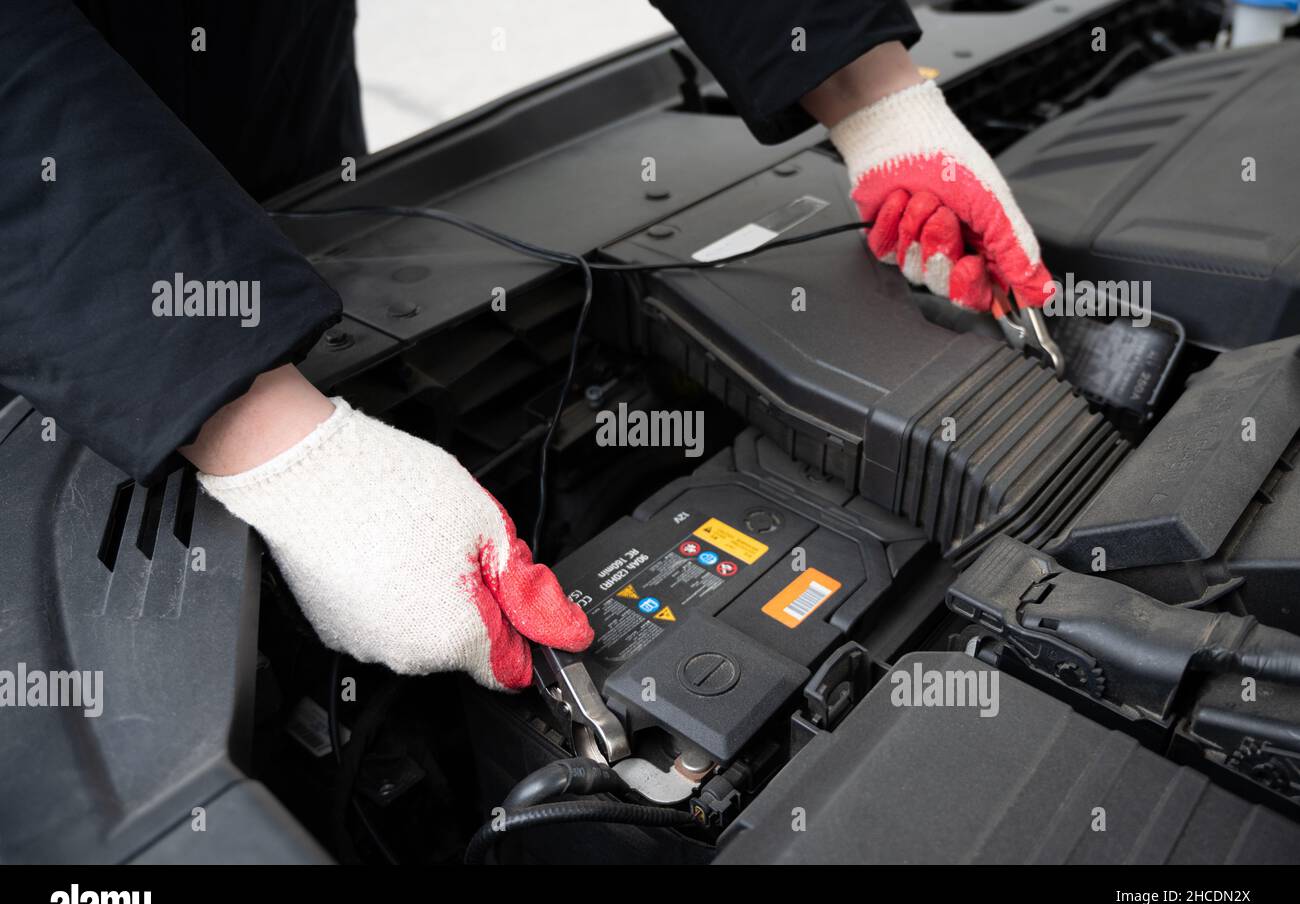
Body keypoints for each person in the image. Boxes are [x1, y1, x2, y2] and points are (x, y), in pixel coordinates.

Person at [1, 1, 1051, 690]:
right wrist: (269, 439)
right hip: (40, 200)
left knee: (285, 209)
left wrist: (866, 91)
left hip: (254, 67)